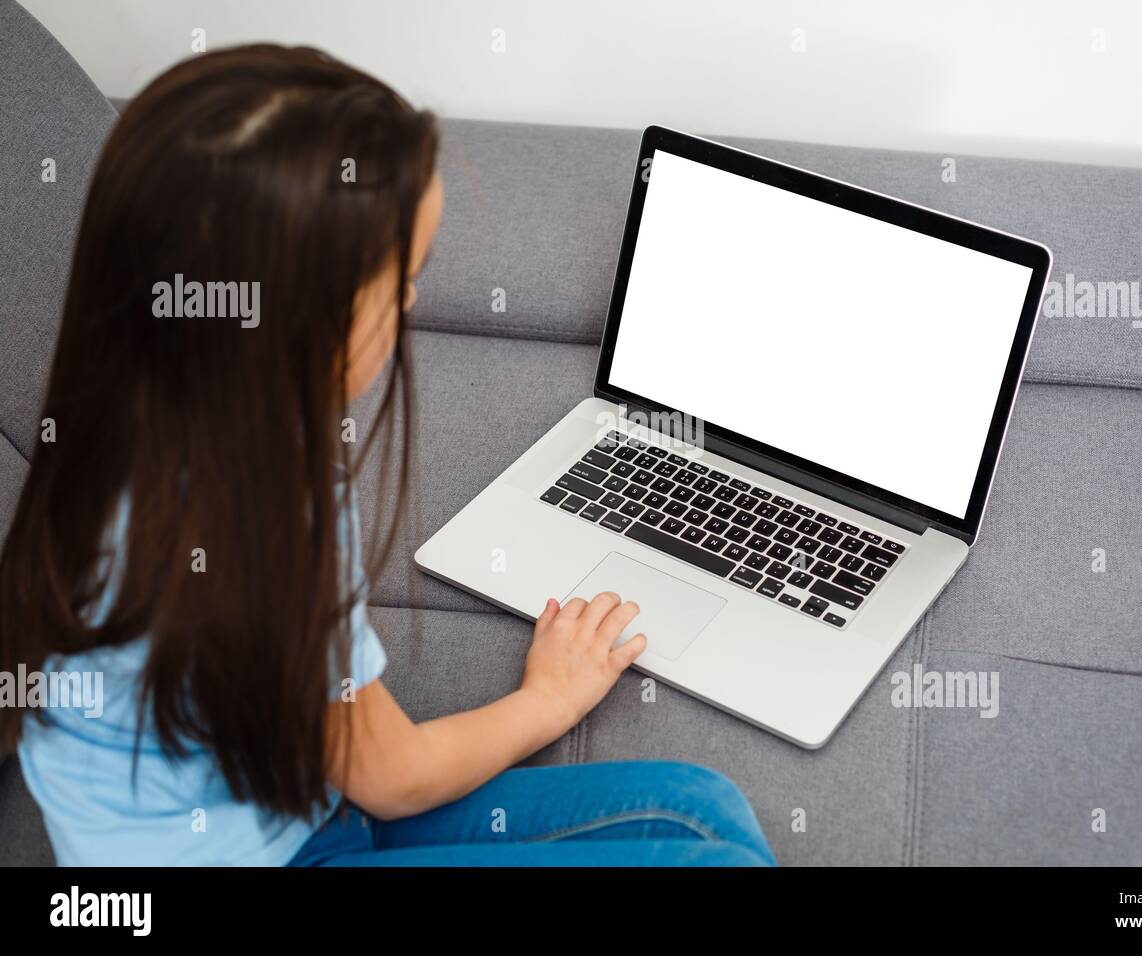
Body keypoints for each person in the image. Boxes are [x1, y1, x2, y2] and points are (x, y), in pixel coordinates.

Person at [0, 44, 775, 867]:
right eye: (398, 281)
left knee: (701, 813)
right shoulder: (264, 524)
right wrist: (546, 701)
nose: (410, 303)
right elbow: (390, 779)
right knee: (710, 856)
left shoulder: (113, 415)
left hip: (303, 806)